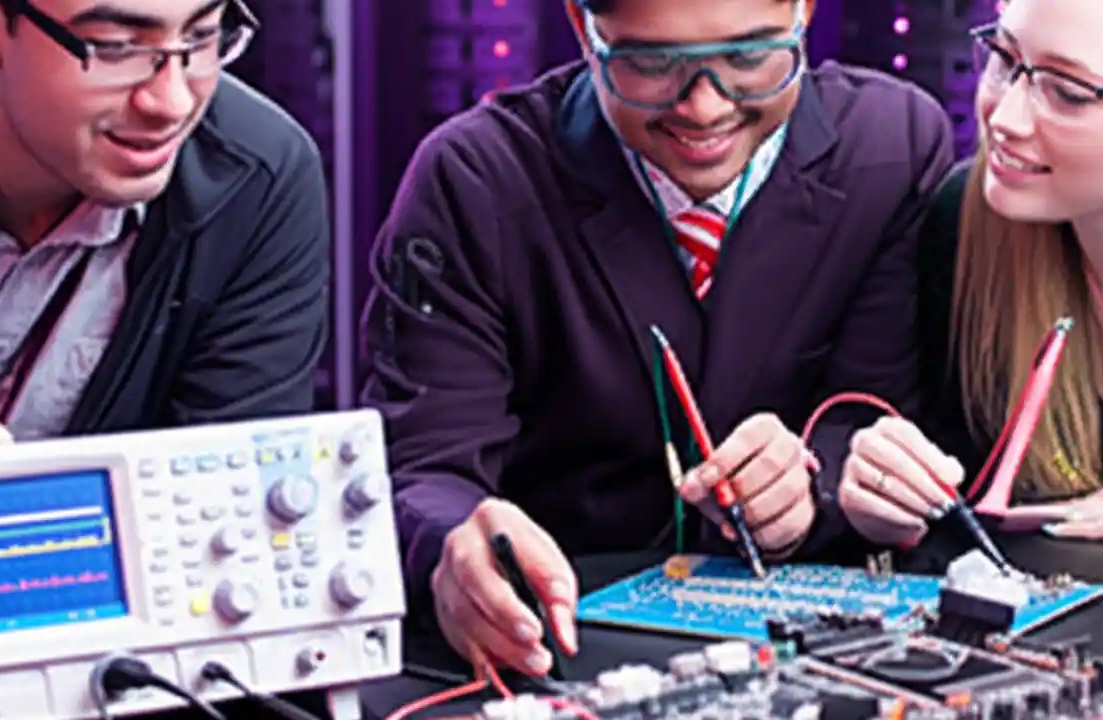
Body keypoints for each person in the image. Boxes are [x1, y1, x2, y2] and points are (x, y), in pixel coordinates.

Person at [361, 0, 954, 676]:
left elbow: (873, 414)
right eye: (651, 63)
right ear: (583, 29)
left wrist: (814, 486)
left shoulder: (892, 148)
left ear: (804, 13)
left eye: (748, 56)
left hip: (804, 649)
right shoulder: (478, 177)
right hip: (559, 641)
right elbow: (425, 467)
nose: (704, 108)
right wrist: (455, 545)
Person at [0, 0, 330, 457]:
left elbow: (233, 484)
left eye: (201, 36)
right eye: (115, 48)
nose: (173, 104)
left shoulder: (256, 179)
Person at [839, 0, 1103, 552]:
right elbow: (949, 524)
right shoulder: (960, 226)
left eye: (1068, 92)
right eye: (1004, 59)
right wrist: (885, 501)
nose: (1003, 117)